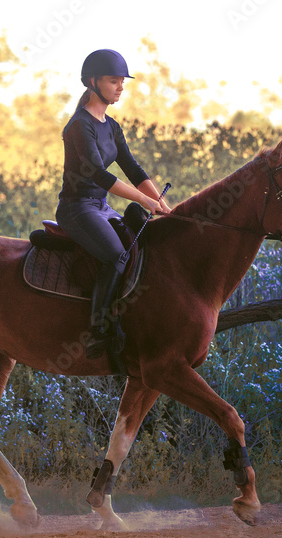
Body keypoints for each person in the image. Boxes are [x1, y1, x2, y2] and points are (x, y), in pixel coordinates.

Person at [56, 49, 172, 360]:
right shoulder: (80, 126)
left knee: (140, 245)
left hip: (101, 207)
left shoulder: (111, 125)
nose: (121, 87)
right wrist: (145, 200)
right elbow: (100, 175)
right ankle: (98, 332)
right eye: (114, 81)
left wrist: (165, 205)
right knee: (116, 256)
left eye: (122, 82)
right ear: (93, 82)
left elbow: (133, 170)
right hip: (77, 208)